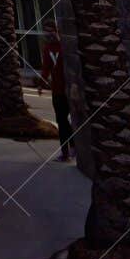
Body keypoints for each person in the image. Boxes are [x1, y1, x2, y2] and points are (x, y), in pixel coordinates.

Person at [39, 20, 74, 162]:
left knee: (70, 121)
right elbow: (46, 67)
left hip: (70, 89)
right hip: (57, 91)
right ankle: (65, 151)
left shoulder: (65, 46)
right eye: (46, 31)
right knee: (61, 120)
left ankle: (73, 146)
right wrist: (42, 83)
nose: (48, 34)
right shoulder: (47, 49)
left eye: (51, 30)